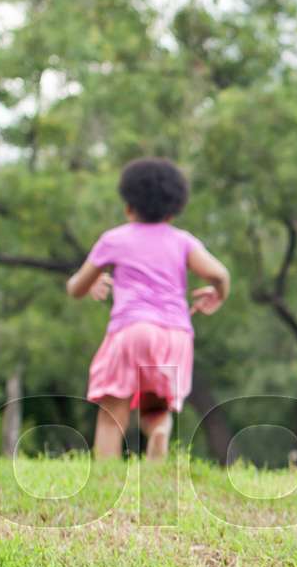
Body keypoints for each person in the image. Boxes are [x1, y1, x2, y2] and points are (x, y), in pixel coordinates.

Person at [66, 157, 231, 460]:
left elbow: (75, 287)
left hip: (133, 330)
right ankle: (158, 435)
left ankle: (106, 477)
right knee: (155, 408)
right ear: (174, 208)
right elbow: (220, 274)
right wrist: (217, 294)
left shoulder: (114, 239)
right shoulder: (183, 242)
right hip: (175, 335)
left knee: (111, 412)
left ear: (128, 206)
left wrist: (90, 284)